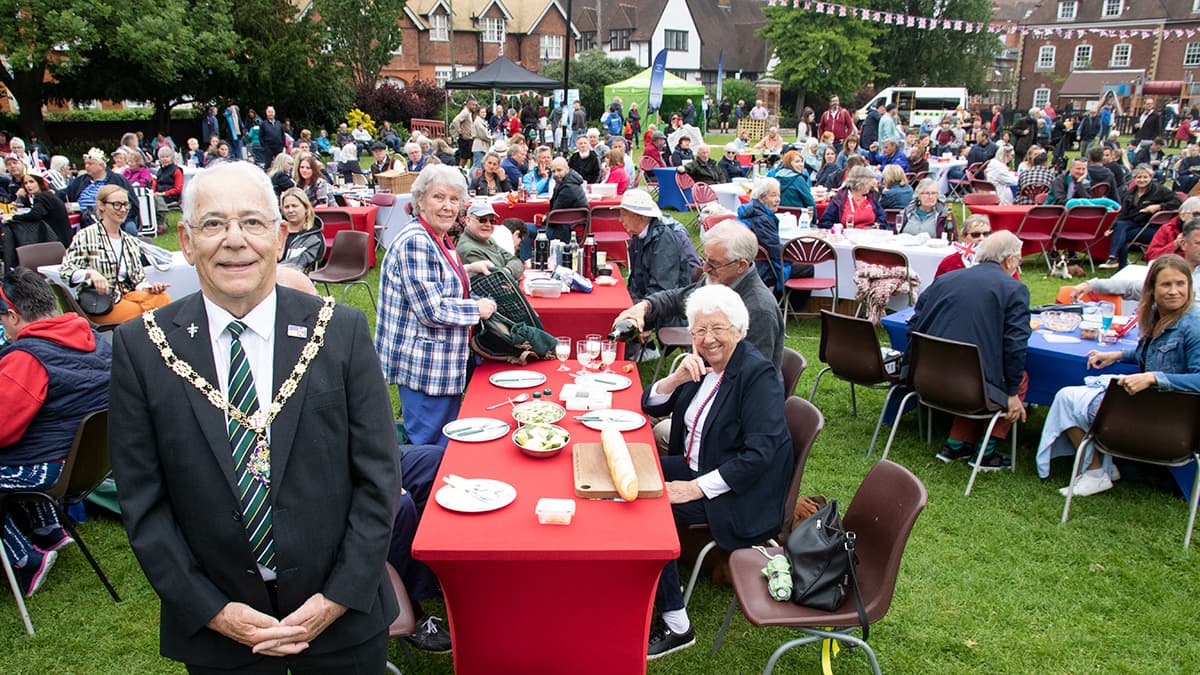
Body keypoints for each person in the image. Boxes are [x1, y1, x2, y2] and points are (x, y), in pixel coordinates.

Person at [108, 161, 401, 670]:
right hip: (220, 633)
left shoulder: (342, 331)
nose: (234, 240)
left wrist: (337, 597)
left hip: (345, 622)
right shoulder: (141, 347)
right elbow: (143, 502)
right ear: (186, 241)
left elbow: (379, 478)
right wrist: (212, 611)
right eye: (213, 224)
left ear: (281, 236)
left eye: (252, 222)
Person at [641, 285, 792, 660]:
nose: (708, 339)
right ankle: (640, 576)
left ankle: (677, 623)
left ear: (739, 330)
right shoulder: (704, 366)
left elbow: (759, 456)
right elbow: (650, 404)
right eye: (699, 330)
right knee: (631, 471)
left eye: (717, 328)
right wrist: (675, 379)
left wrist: (694, 488)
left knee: (649, 509)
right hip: (699, 465)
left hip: (739, 492)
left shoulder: (757, 375)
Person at [1039, 254, 1200, 495]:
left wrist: (1153, 378)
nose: (1174, 291)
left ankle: (1095, 472)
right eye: (1166, 284)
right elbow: (1156, 355)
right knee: (1075, 394)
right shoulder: (1158, 315)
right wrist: (1118, 355)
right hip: (1153, 406)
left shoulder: (1193, 325)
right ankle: (1104, 465)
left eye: (1180, 284)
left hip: (1170, 420)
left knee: (1067, 398)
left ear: (1189, 286)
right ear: (1152, 289)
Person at [0, 268, 111, 598]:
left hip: (50, 469)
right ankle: (47, 529)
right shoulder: (94, 339)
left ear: (13, 316)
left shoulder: (27, 358)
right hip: (91, 463)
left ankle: (24, 559)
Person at [376, 165, 497, 447]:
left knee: (440, 439)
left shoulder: (434, 235)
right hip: (424, 366)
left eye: (454, 199)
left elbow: (435, 278)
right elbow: (431, 311)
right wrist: (477, 309)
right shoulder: (416, 242)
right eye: (439, 197)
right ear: (420, 200)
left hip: (436, 361)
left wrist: (468, 269)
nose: (447, 206)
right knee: (430, 448)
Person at [907, 231, 1030, 469]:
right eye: (1019, 260)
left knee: (974, 371)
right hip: (968, 386)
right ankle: (986, 452)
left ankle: (956, 444)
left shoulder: (946, 279)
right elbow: (1015, 345)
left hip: (926, 379)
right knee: (1017, 379)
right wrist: (1012, 393)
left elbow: (914, 323)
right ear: (1009, 261)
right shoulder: (1014, 289)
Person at [615, 221, 784, 373]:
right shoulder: (720, 282)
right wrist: (644, 306)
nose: (705, 268)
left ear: (741, 265)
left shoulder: (759, 310)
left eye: (714, 263)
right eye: (706, 259)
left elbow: (752, 377)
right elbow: (678, 299)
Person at [59, 185, 171, 323]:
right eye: (117, 205)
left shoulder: (129, 241)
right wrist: (90, 274)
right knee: (145, 313)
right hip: (101, 302)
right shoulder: (86, 236)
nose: (123, 210)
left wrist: (150, 288)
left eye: (126, 205)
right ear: (101, 206)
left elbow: (138, 280)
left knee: (164, 300)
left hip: (128, 296)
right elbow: (66, 271)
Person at [737, 177, 815, 296]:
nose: (778, 199)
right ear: (761, 198)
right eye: (773, 195)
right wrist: (796, 256)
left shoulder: (750, 211)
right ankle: (784, 303)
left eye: (779, 195)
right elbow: (775, 250)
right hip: (761, 269)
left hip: (751, 265)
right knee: (807, 267)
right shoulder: (761, 219)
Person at [1099, 163, 1181, 269]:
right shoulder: (1130, 193)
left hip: (1152, 228)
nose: (1142, 180)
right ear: (1134, 179)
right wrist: (1111, 227)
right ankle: (1115, 259)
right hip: (1134, 224)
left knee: (1122, 234)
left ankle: (1118, 262)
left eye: (1145, 177)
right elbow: (1123, 214)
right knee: (1120, 226)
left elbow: (1177, 202)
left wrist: (1159, 206)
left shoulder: (1160, 190)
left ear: (1150, 178)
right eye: (1139, 177)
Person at [620, 189, 693, 301]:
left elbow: (662, 290)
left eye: (623, 215)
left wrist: (638, 306)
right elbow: (635, 282)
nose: (620, 220)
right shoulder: (639, 237)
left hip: (665, 308)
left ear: (638, 216)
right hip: (646, 301)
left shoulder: (663, 241)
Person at [61, 147, 140, 232]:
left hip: (114, 217)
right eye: (86, 164)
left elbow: (133, 204)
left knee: (130, 228)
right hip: (83, 219)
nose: (87, 166)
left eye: (91, 164)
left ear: (101, 165)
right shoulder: (79, 181)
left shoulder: (118, 180)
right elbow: (63, 194)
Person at [456, 202, 524, 280]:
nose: (488, 225)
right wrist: (509, 271)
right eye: (482, 220)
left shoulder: (487, 239)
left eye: (492, 221)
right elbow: (496, 281)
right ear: (468, 221)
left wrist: (507, 270)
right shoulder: (469, 250)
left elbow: (516, 261)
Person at [7, 171, 72, 247]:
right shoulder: (47, 195)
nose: (28, 185)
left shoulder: (42, 197)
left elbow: (35, 215)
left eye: (31, 182)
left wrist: (12, 217)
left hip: (58, 240)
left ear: (39, 182)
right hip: (62, 238)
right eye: (25, 183)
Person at [819, 165, 886, 229]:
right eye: (869, 182)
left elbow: (882, 216)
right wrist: (839, 229)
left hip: (870, 235)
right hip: (846, 235)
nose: (871, 185)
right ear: (861, 183)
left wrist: (877, 226)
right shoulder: (839, 199)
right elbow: (824, 222)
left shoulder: (871, 198)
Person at [278, 188, 326, 273]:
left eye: (294, 206)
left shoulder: (314, 238)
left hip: (295, 276)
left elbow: (298, 264)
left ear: (306, 208)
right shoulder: (275, 232)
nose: (290, 210)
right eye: (286, 207)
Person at [546, 157, 589, 237]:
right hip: (567, 228)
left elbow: (553, 216)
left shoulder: (568, 188)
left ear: (567, 169)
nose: (556, 174)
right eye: (553, 171)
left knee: (526, 229)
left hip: (564, 231)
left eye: (559, 170)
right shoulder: (566, 183)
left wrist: (543, 218)